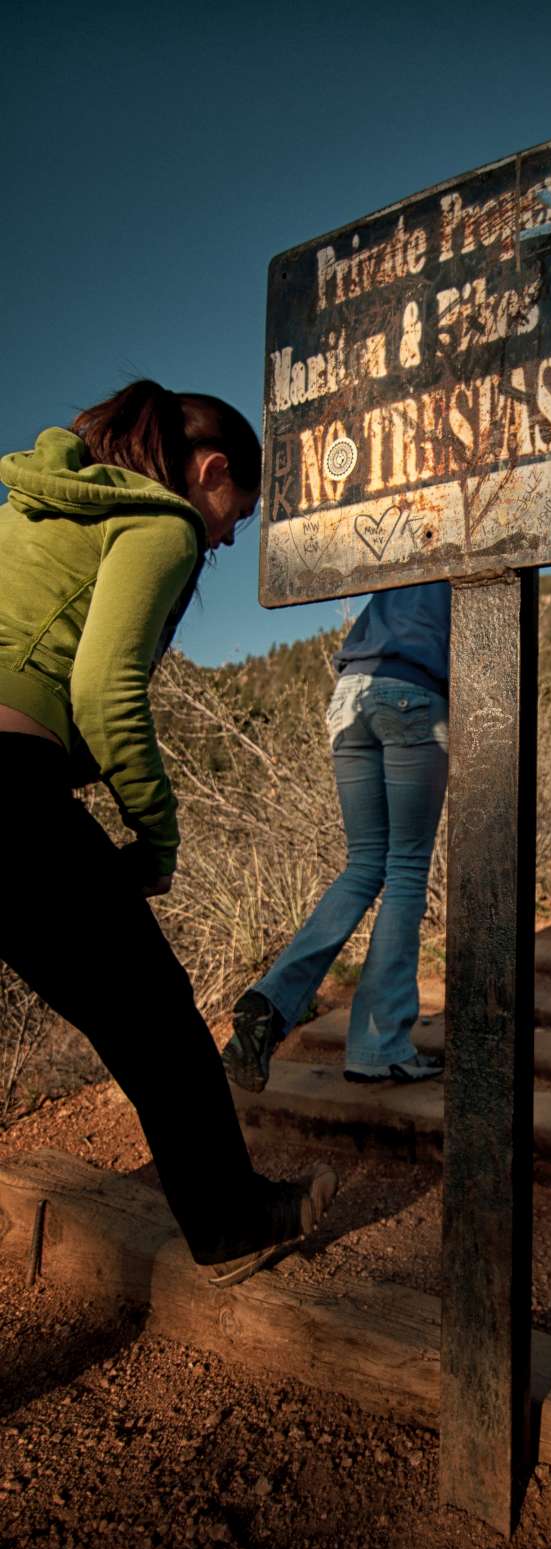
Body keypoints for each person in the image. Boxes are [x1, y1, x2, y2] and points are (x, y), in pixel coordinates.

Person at [0, 379, 337, 1288]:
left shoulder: (32, 508)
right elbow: (104, 692)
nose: (226, 536)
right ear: (211, 470)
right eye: (237, 513)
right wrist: (155, 839)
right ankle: (231, 1221)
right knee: (153, 1016)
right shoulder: (162, 524)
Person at [223, 581, 450, 1091]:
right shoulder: (464, 557)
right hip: (413, 696)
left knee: (365, 864)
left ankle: (270, 1000)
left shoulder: (402, 557)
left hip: (349, 697)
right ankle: (379, 1048)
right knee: (406, 871)